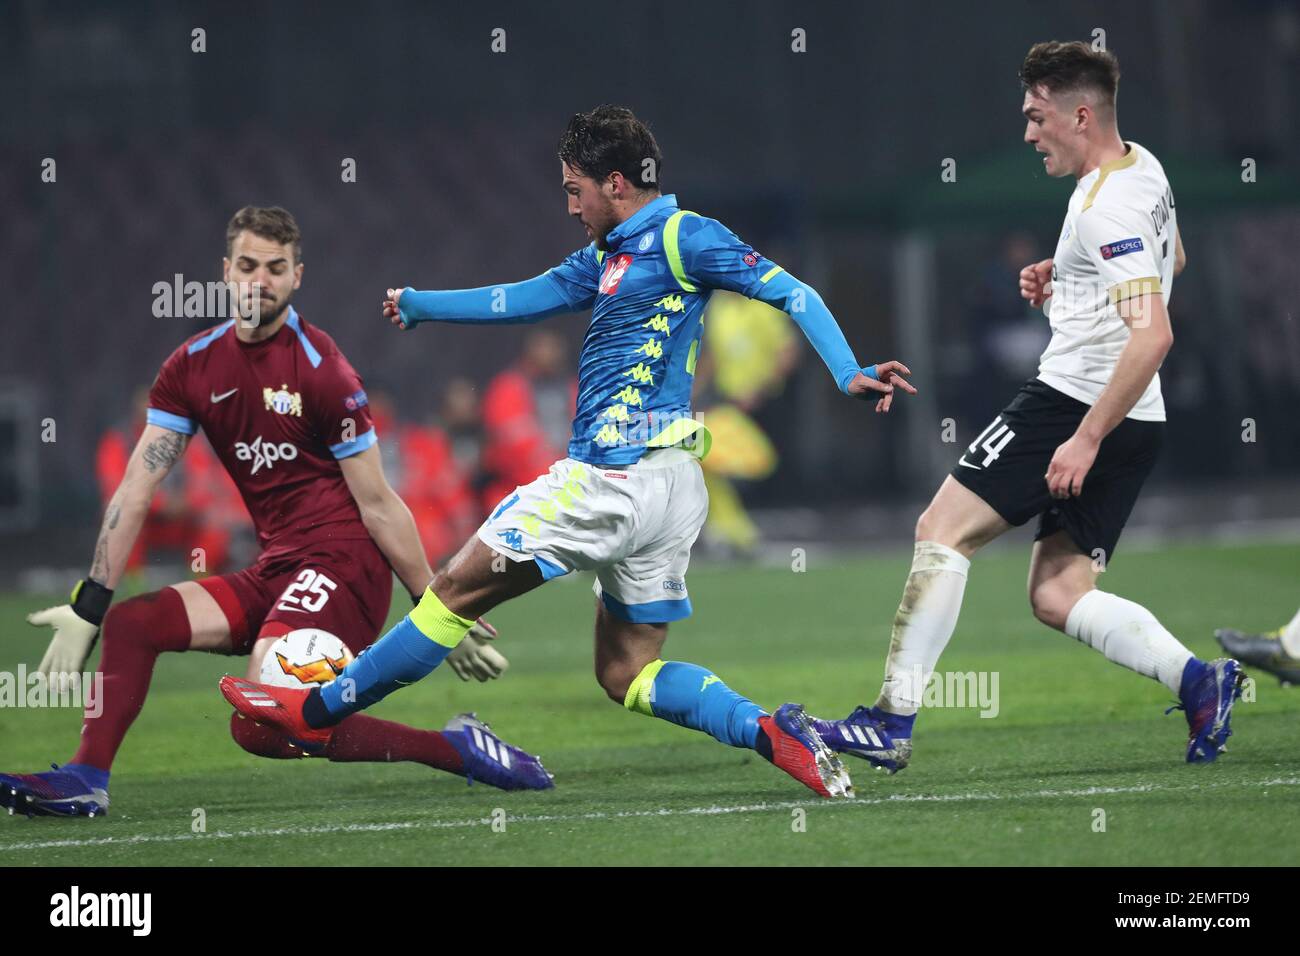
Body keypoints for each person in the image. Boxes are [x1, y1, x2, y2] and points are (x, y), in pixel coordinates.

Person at [222, 106, 914, 799]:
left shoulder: (683, 235)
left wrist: (847, 370)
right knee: (627, 674)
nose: (570, 205)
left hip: (613, 479)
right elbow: (528, 297)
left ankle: (312, 712)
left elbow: (792, 291)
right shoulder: (611, 255)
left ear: (616, 183)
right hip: (669, 491)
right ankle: (773, 732)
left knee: (452, 591)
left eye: (573, 189)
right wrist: (423, 304)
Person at [2, 207, 545, 818]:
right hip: (278, 566)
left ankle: (454, 751)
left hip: (345, 565)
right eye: (249, 265)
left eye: (276, 269)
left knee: (270, 716)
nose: (261, 280)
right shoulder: (191, 367)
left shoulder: (322, 370)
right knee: (138, 629)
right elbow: (136, 486)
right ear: (225, 271)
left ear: (297, 278)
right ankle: (85, 779)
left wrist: (436, 613)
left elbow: (379, 504)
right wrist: (88, 606)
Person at [812, 41, 1242, 770]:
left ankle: (891, 722)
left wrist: (1083, 437)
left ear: (1079, 114)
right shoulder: (1143, 167)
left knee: (941, 530)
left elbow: (1155, 333)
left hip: (1075, 405)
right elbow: (1173, 261)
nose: (1027, 133)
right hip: (1140, 417)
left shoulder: (1107, 205)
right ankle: (1199, 681)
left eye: (1037, 116)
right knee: (1058, 592)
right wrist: (1069, 276)